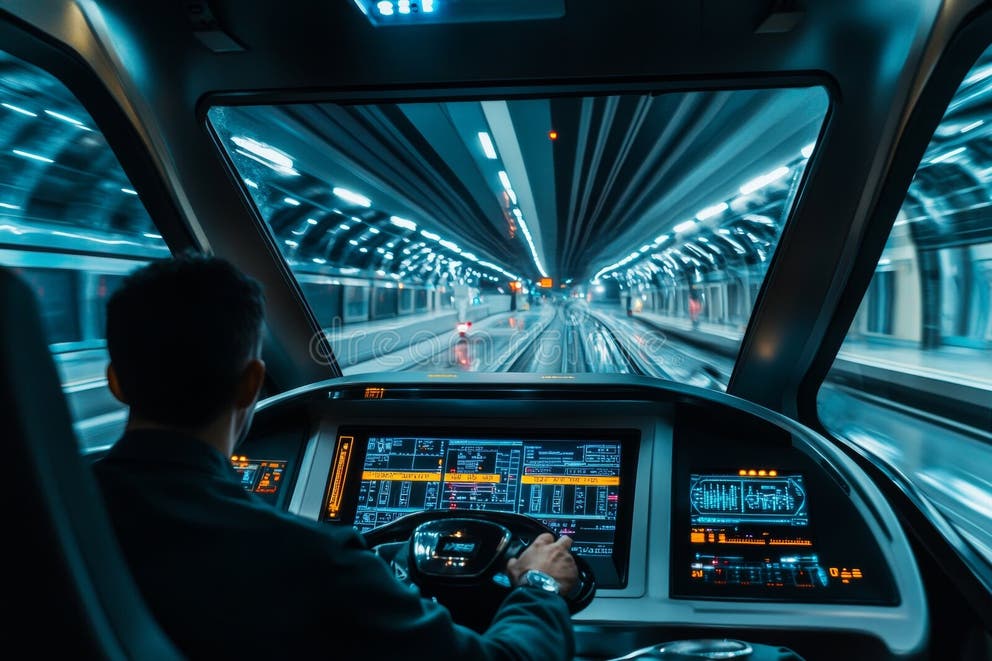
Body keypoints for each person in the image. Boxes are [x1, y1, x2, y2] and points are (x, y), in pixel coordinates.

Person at [93, 253, 578, 659]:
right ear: (252, 383)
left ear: (116, 381)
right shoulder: (315, 564)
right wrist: (538, 585)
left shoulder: (38, 515)